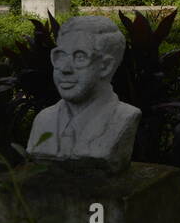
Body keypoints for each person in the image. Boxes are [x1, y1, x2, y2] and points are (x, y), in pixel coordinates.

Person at [27, 16, 141, 173]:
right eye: (60, 55)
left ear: (106, 66)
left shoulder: (123, 118)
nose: (65, 69)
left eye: (80, 57)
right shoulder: (44, 119)